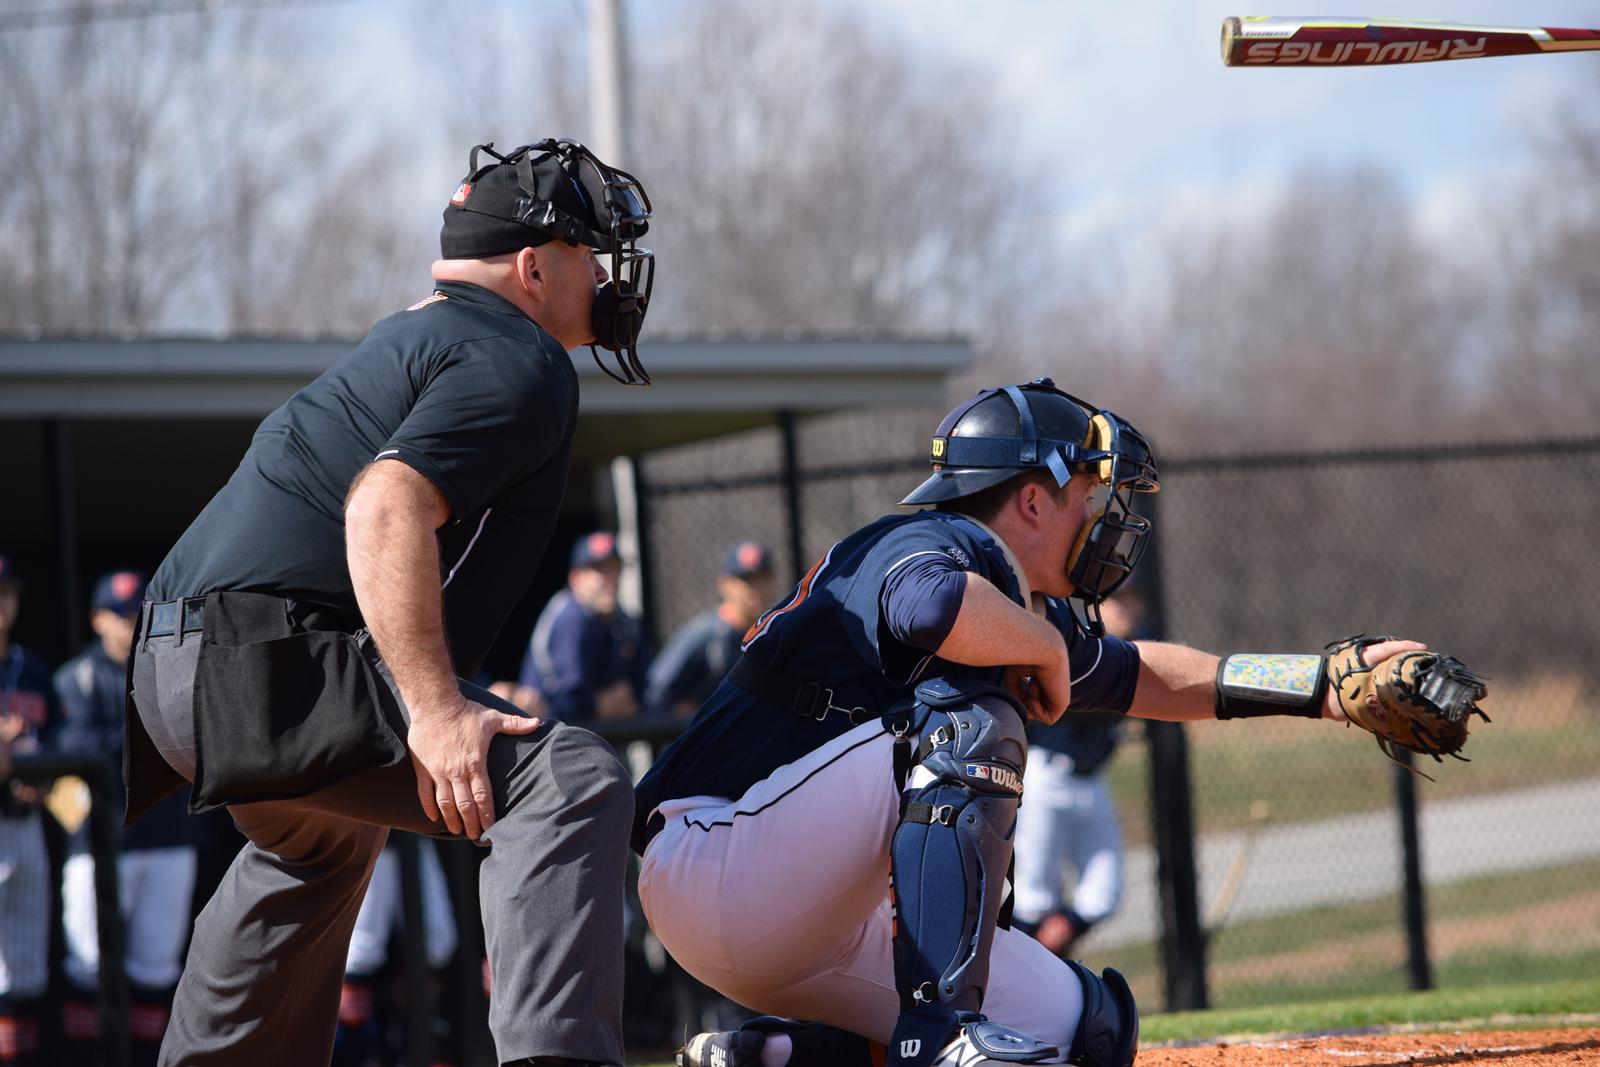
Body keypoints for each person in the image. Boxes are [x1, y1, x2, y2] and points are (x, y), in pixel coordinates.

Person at [636, 379, 1426, 1067]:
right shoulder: (923, 540)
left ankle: (775, 1053)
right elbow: (927, 604)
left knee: (1090, 1030)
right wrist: (1045, 644)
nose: (1102, 515)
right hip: (720, 854)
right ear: (1033, 499)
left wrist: (1317, 684)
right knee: (975, 718)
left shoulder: (1015, 607)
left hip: (807, 918)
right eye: (1087, 492)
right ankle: (939, 1033)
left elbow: (1139, 673)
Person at [125, 137, 655, 1067]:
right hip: (261, 659)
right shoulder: (520, 355)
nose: (609, 274)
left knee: (319, 843)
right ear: (533, 268)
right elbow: (387, 501)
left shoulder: (424, 331)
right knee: (570, 779)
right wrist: (438, 709)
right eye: (589, 252)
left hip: (176, 669)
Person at [52, 570, 197, 1067]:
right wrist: (141, 741)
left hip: (169, 836)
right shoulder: (76, 676)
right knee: (88, 966)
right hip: (97, 841)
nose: (129, 623)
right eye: (119, 614)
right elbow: (72, 748)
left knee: (155, 968)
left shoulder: (170, 668)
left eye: (137, 611)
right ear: (97, 620)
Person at [1010, 588, 1144, 960]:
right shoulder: (1076, 648)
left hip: (1092, 780)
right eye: (1120, 603)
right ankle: (1021, 985)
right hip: (1045, 776)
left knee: (1103, 893)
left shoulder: (1130, 653)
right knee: (1033, 897)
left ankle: (1047, 963)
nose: (1130, 610)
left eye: (1132, 602)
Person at [0, 554, 59, 1067]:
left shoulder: (34, 670)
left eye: (5, 592)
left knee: (23, 964)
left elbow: (65, 745)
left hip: (24, 822)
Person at [514, 532, 651, 723]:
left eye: (614, 568)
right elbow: (567, 701)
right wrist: (600, 705)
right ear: (576, 579)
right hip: (549, 737)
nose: (610, 578)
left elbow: (642, 688)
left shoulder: (623, 622)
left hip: (597, 735)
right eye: (599, 570)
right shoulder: (572, 618)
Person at [645, 541, 776, 719]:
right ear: (724, 585)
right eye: (746, 580)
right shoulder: (703, 634)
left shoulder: (773, 636)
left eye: (762, 579)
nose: (756, 589)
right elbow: (654, 693)